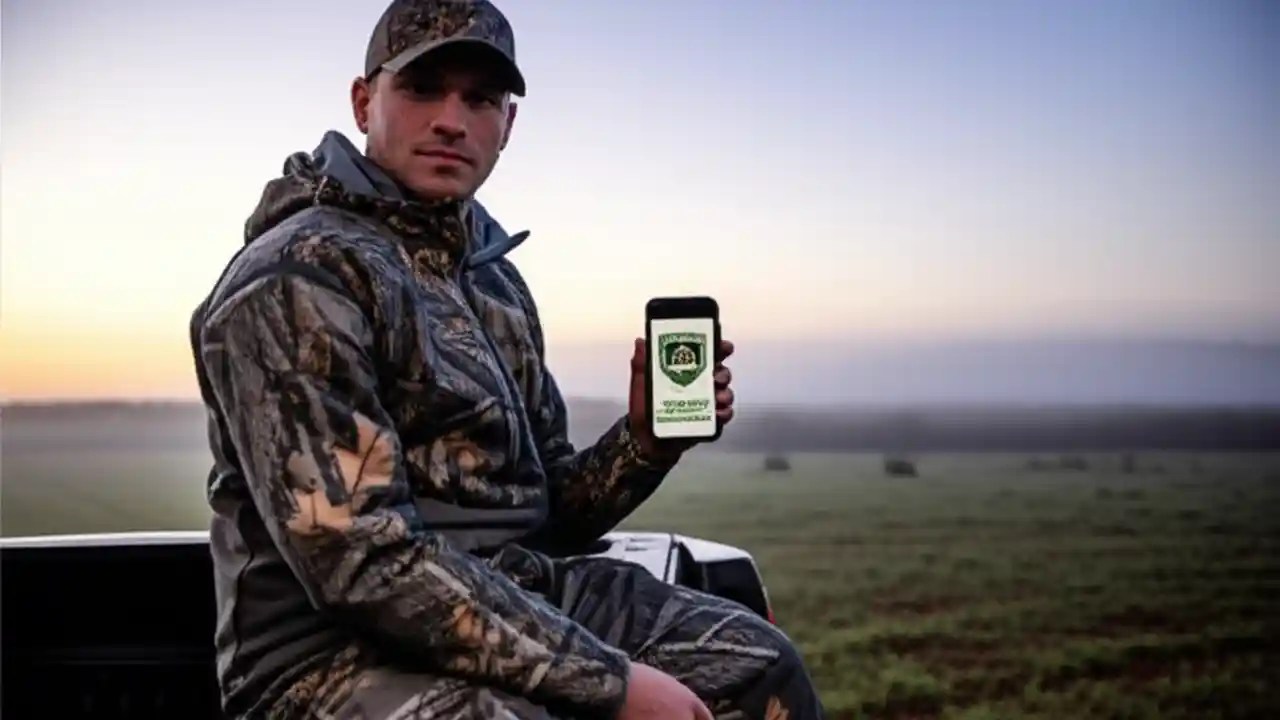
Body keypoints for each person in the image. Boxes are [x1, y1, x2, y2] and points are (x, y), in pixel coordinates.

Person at [188, 1, 825, 718]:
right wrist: (610, 683)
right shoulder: (298, 277)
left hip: (517, 597)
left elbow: (546, 515)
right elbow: (358, 561)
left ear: (509, 126)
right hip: (330, 658)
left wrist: (646, 443)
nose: (452, 120)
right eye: (423, 89)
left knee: (757, 666)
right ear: (365, 102)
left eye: (480, 99)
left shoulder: (491, 281)